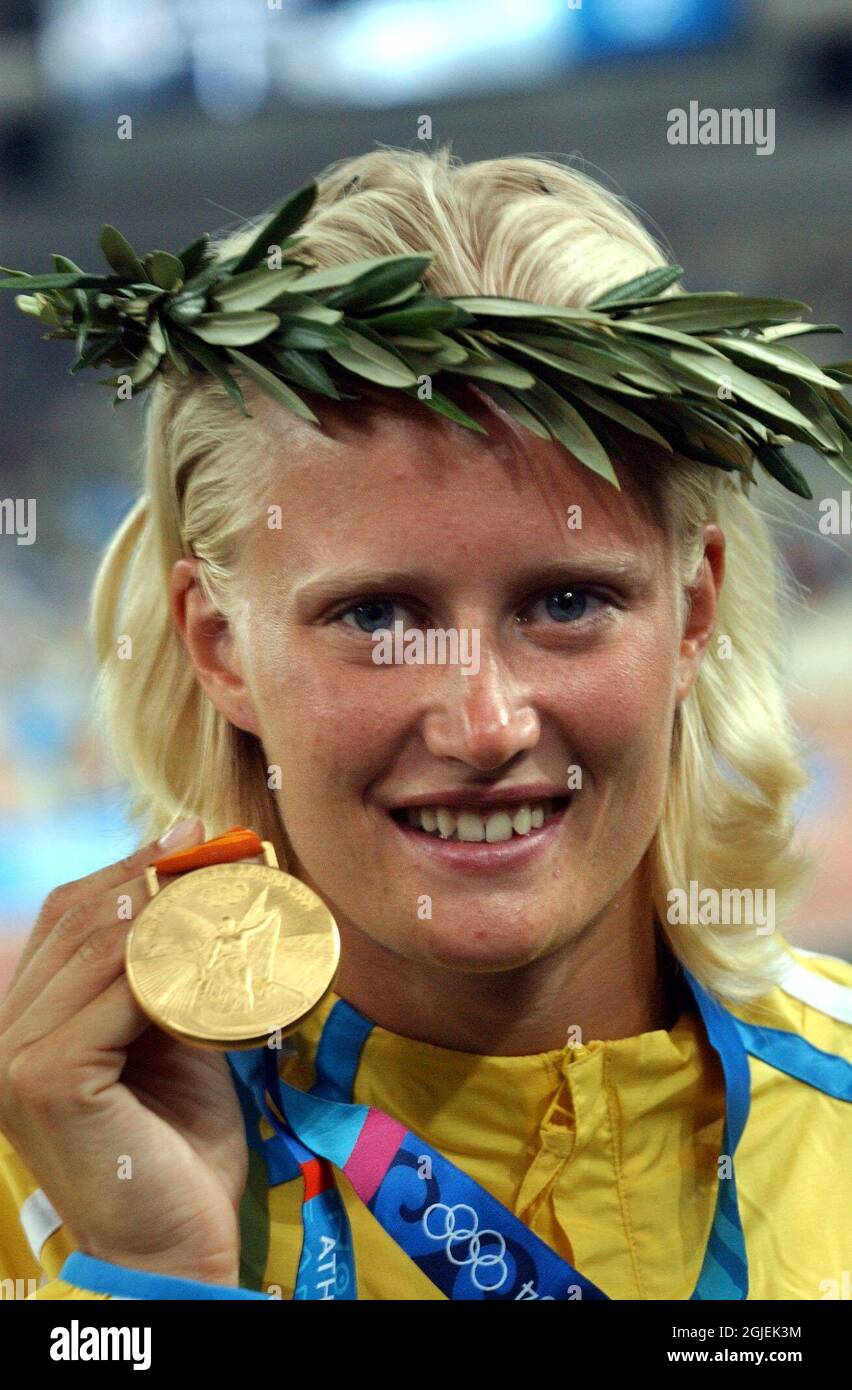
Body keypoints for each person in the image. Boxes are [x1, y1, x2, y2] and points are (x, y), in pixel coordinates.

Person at [0, 145, 849, 1302]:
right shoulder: (50, 1176)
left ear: (693, 609)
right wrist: (150, 1279)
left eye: (567, 601)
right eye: (378, 613)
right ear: (217, 644)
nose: (486, 724)